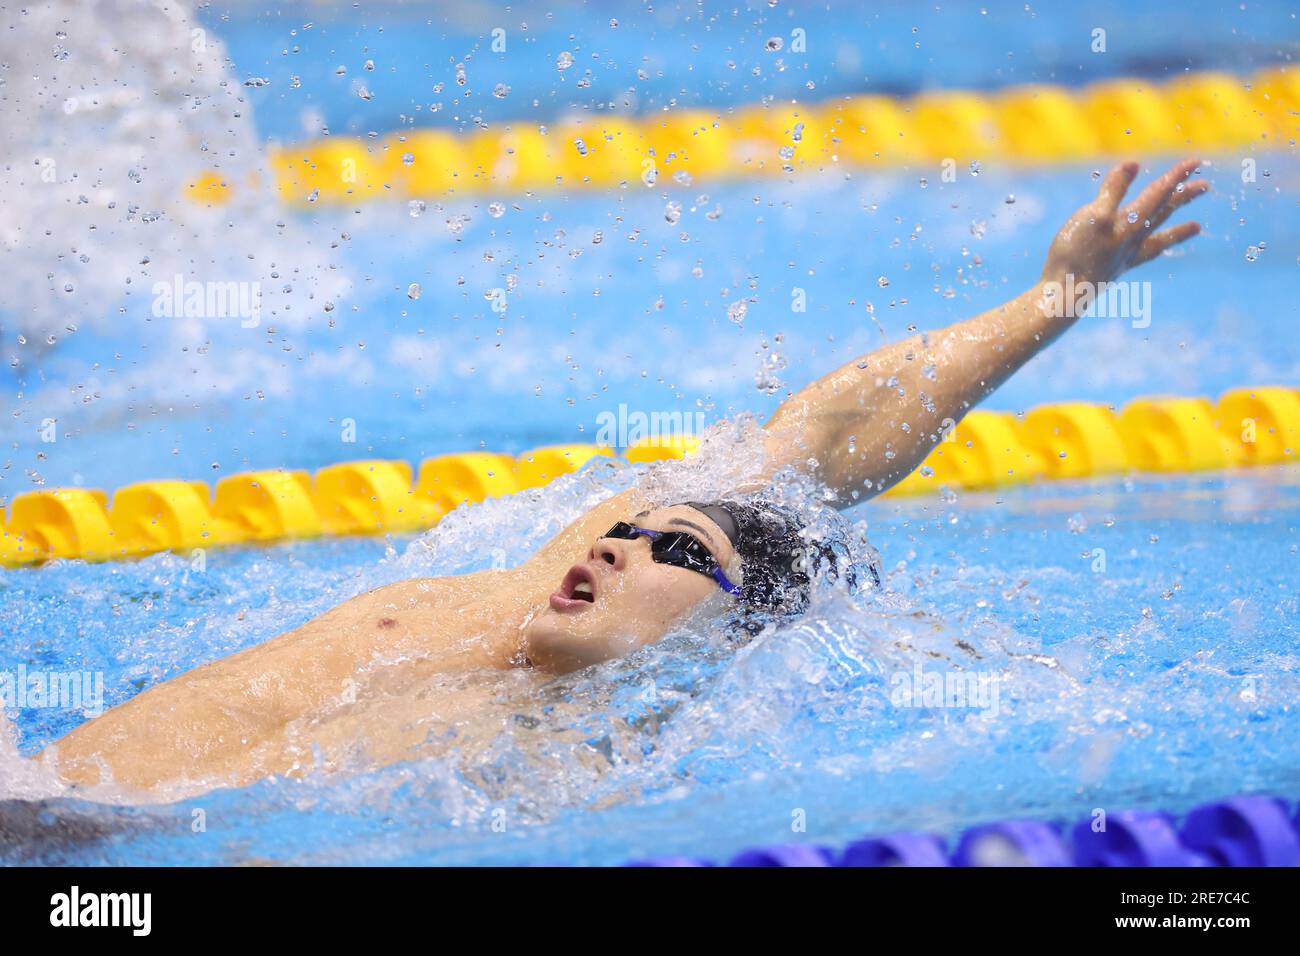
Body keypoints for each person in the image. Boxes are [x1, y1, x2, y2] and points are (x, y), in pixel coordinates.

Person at [35, 158, 1209, 801]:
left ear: (735, 635)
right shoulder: (556, 571)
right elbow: (834, 431)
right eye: (638, 525)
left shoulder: (548, 772)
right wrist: (1055, 298)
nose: (623, 544)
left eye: (681, 554)